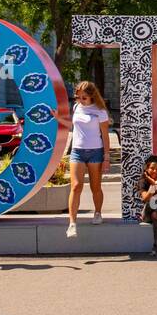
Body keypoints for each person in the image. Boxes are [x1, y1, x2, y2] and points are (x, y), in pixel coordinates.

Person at [65, 81, 111, 239]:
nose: (80, 100)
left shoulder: (100, 111)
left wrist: (107, 157)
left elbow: (105, 135)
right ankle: (72, 223)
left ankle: (98, 213)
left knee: (95, 187)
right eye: (78, 97)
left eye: (84, 97)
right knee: (76, 186)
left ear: (92, 96)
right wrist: (56, 116)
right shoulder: (76, 107)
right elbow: (71, 126)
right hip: (77, 151)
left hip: (95, 152)